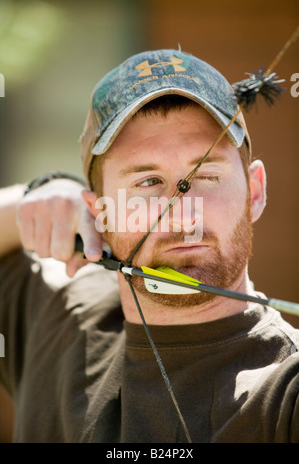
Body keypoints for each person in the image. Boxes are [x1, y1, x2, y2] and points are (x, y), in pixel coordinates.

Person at [0, 49, 299, 443]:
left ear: (254, 192)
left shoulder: (284, 390)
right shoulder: (59, 311)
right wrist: (37, 196)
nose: (181, 214)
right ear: (98, 212)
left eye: (206, 176)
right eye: (147, 182)